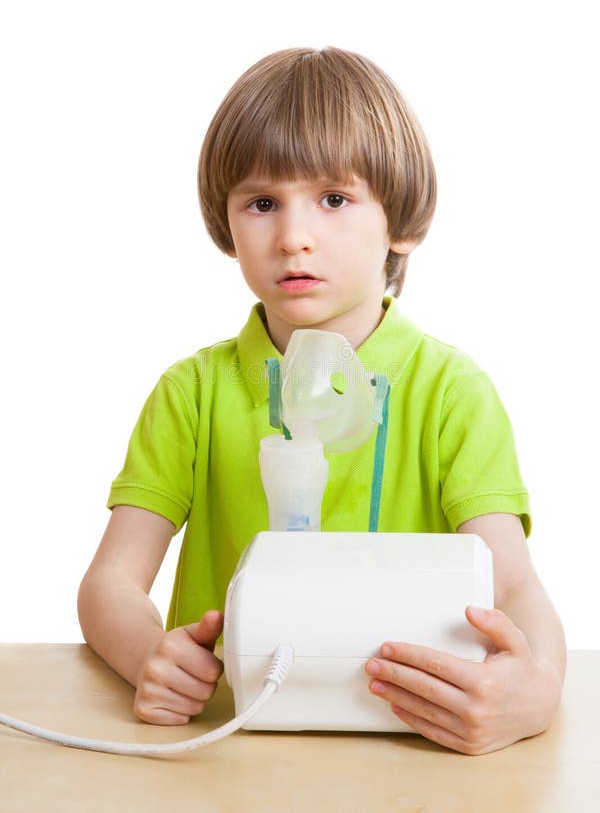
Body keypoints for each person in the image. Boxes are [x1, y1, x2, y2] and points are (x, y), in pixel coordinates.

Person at [78, 47, 566, 755]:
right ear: (227, 223)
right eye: (262, 202)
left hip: (407, 745)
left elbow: (513, 585)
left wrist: (537, 687)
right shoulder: (193, 394)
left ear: (401, 221)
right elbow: (110, 582)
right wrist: (150, 656)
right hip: (224, 745)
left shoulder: (452, 394)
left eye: (334, 199)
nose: (293, 237)